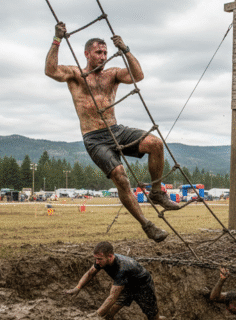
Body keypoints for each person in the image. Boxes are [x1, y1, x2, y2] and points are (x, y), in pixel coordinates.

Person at [45, 22, 180, 242]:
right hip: (94, 138)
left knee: (155, 144)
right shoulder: (76, 74)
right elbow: (50, 70)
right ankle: (147, 225)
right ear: (87, 54)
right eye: (98, 52)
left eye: (105, 53)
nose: (103, 56)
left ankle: (156, 192)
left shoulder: (112, 74)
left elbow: (138, 75)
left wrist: (125, 50)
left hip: (115, 130)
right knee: (121, 178)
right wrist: (57, 39)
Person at [65, 241, 171, 320]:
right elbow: (90, 273)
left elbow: (112, 297)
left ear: (110, 256)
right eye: (96, 258)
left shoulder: (123, 268)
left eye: (99, 259)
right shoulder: (102, 260)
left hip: (143, 287)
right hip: (126, 286)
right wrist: (77, 288)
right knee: (108, 315)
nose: (97, 262)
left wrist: (95, 315)